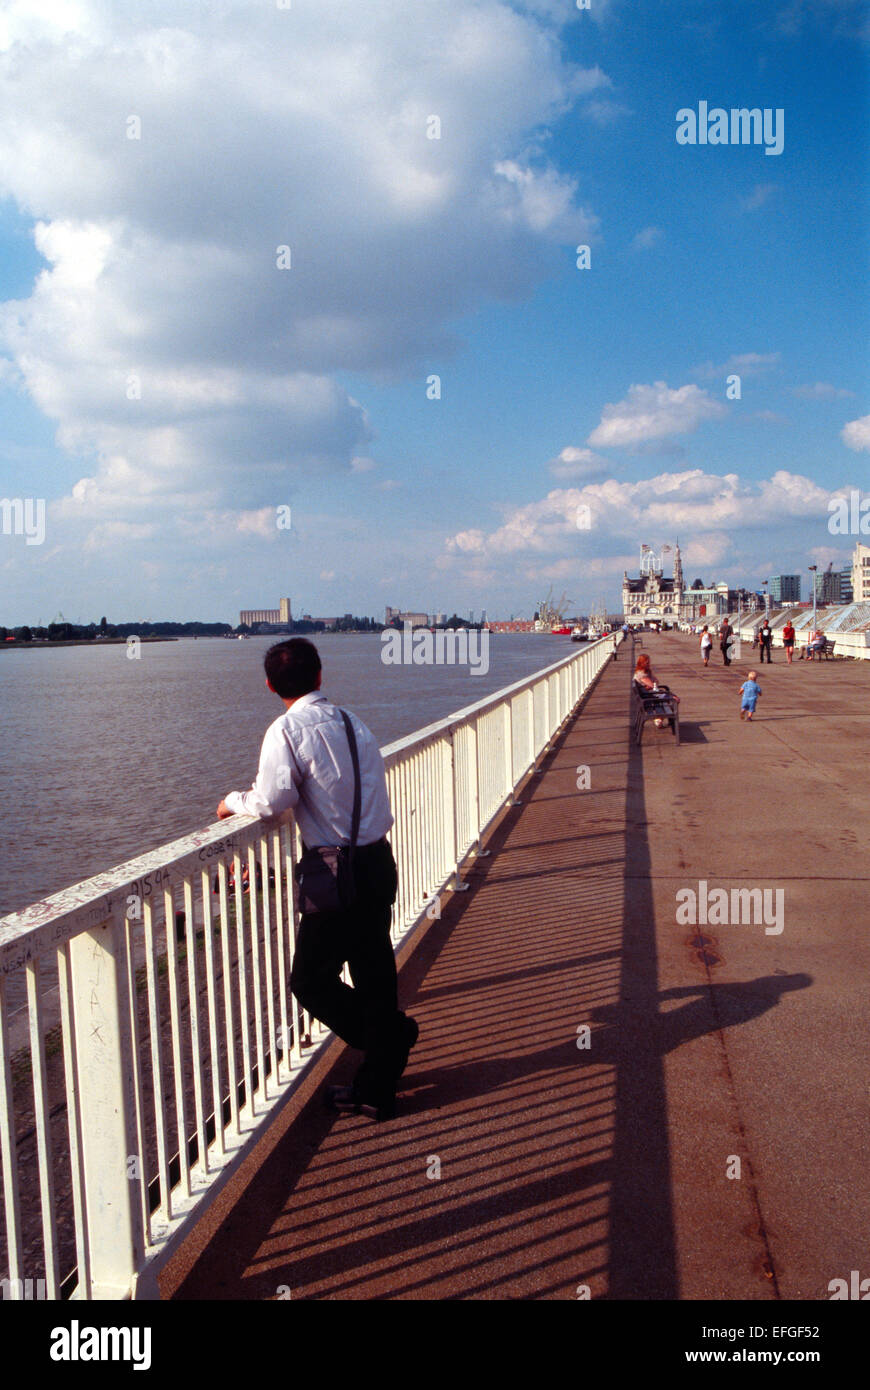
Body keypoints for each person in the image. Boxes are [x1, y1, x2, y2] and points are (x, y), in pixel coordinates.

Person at [217, 638, 417, 1122]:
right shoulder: (354, 723)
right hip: (377, 862)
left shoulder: (285, 730)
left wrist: (231, 802)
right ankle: (376, 1085)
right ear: (321, 676)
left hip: (333, 872)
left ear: (270, 686)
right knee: (373, 970)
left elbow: (271, 801)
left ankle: (389, 1041)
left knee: (309, 980)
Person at [633, 653, 680, 727]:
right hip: (649, 698)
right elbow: (653, 685)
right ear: (641, 663)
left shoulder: (646, 671)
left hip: (650, 694)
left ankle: (660, 719)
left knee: (673, 698)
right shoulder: (641, 674)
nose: (649, 664)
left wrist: (652, 685)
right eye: (647, 662)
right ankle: (663, 719)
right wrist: (652, 685)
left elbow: (656, 682)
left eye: (649, 662)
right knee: (675, 699)